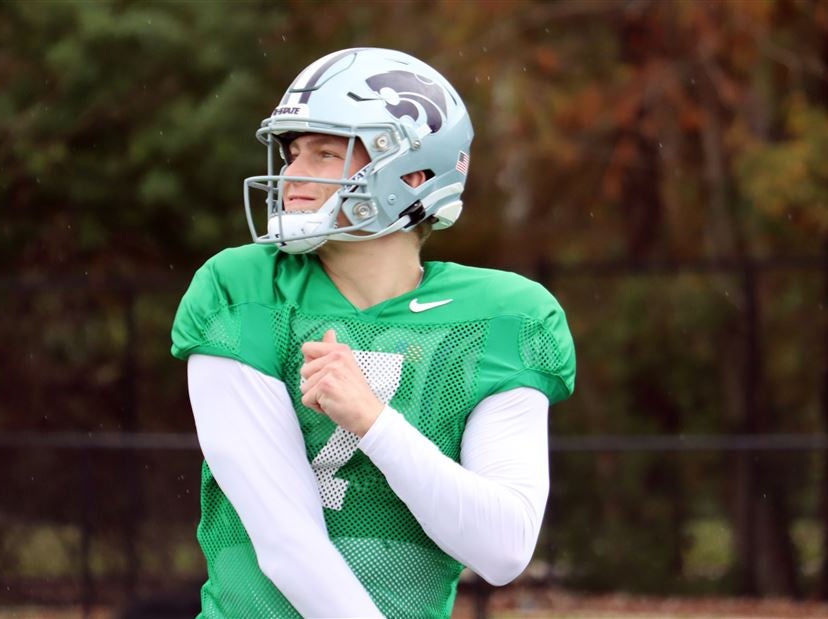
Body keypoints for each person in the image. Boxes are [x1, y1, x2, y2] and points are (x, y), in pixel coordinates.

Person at [171, 47, 575, 618]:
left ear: (411, 174)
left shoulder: (504, 316)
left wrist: (374, 423)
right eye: (292, 152)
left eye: (324, 152)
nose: (291, 175)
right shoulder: (244, 290)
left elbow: (502, 549)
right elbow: (286, 540)